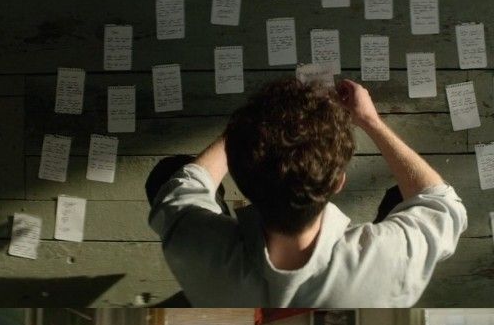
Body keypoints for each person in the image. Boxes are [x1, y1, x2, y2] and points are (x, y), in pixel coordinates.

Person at [148, 77, 467, 307]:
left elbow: (181, 189)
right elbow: (442, 203)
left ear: (240, 183)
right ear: (339, 182)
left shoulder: (194, 247)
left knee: (169, 174)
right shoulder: (391, 259)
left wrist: (249, 127)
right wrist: (370, 121)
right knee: (405, 197)